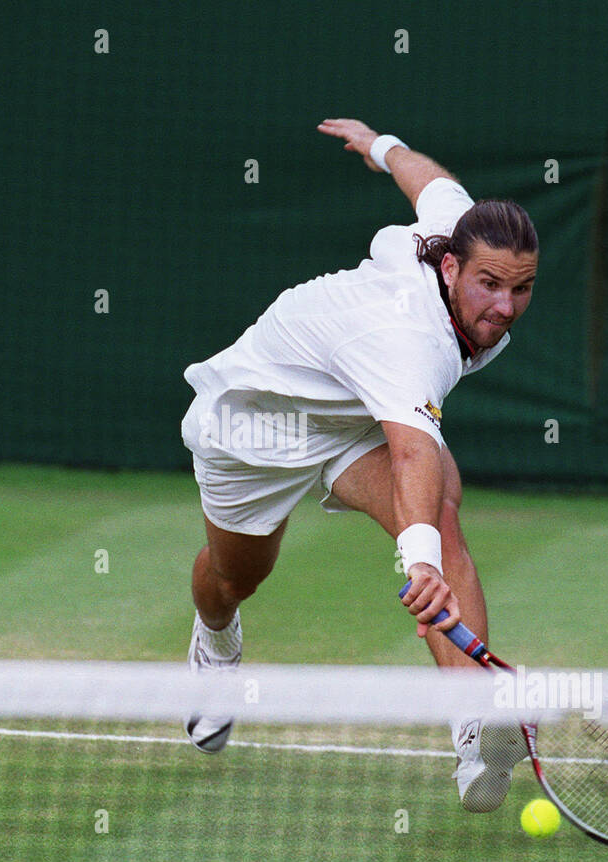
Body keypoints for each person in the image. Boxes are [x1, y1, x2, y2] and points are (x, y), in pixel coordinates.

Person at [179, 118, 539, 812]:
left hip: (351, 416)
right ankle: (215, 642)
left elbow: (428, 180)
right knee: (234, 577)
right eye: (490, 284)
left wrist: (378, 146)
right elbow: (411, 451)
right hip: (257, 423)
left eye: (520, 289)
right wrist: (420, 564)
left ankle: (473, 730)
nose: (503, 307)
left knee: (443, 508)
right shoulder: (413, 343)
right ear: (451, 268)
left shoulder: (460, 230)